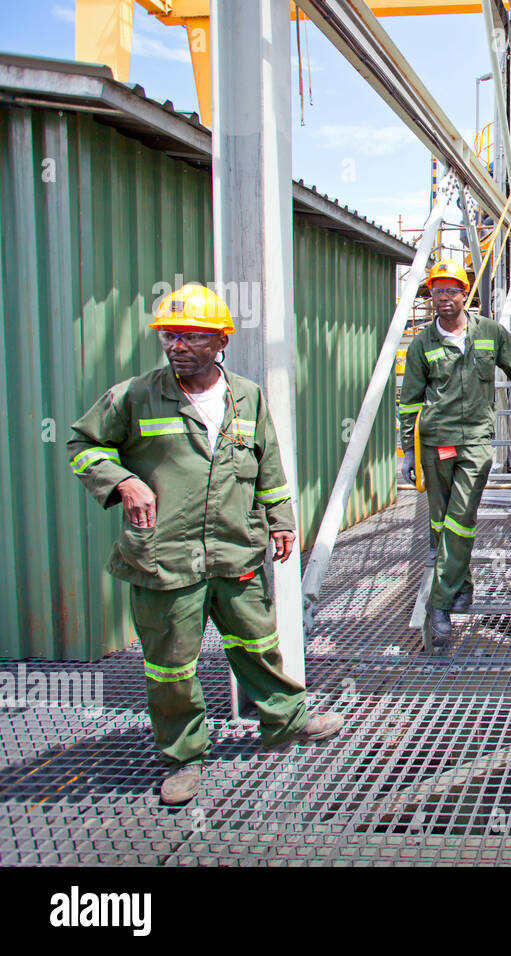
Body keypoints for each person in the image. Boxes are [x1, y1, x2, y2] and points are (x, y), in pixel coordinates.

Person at [67, 283, 342, 806]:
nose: (177, 346)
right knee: (171, 665)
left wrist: (282, 520)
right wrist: (122, 481)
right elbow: (83, 445)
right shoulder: (133, 396)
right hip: (164, 556)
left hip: (234, 548)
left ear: (221, 341)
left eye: (191, 336)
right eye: (170, 336)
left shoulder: (248, 395)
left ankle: (285, 721)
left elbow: (268, 466)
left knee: (257, 643)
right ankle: (182, 757)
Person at [398, 259, 511, 646]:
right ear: (432, 295)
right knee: (440, 523)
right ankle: (462, 583)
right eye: (438, 290)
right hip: (435, 442)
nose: (444, 297)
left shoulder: (489, 332)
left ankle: (438, 606)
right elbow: (409, 403)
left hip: (474, 441)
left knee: (460, 518)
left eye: (452, 289)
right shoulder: (422, 343)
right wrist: (408, 452)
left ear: (463, 293)